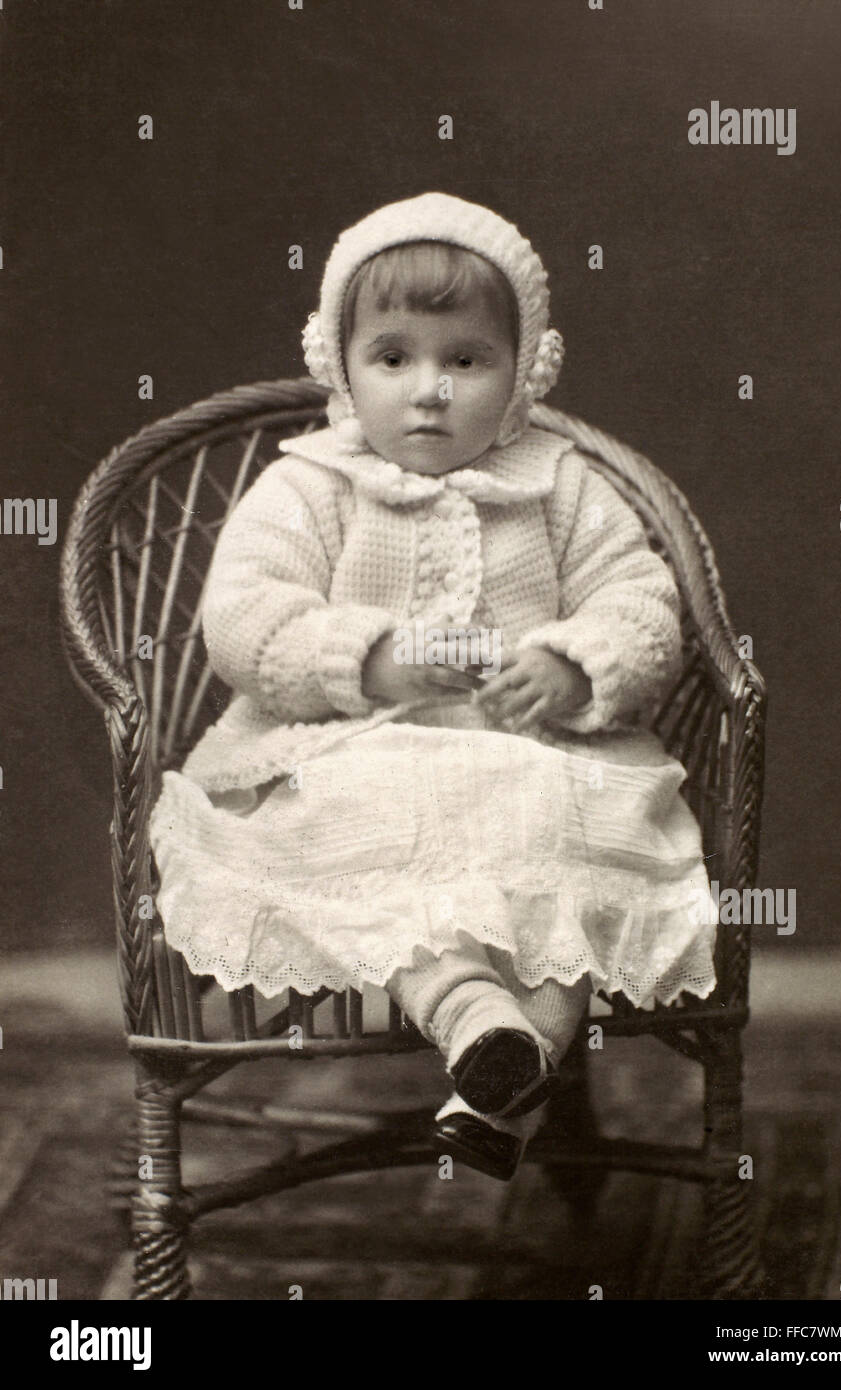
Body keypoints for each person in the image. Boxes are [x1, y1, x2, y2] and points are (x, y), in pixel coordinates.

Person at [149, 191, 717, 1181]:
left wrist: (571, 663)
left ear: (522, 367)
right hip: (347, 748)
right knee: (363, 827)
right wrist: (366, 662)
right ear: (340, 363)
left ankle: (499, 1083)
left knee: (560, 843)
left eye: (464, 360)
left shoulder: (562, 483)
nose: (427, 392)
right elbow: (241, 618)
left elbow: (641, 608)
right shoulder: (308, 484)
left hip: (528, 755)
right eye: (393, 357)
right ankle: (478, 1021)